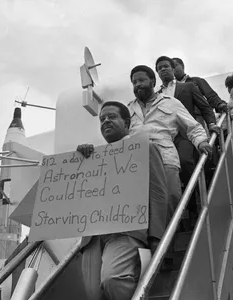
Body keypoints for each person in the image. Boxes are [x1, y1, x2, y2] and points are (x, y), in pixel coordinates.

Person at [78, 101, 168, 300]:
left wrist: (156, 236)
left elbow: (158, 193)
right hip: (93, 238)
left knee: (113, 280)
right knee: (94, 294)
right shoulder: (93, 157)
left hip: (126, 231)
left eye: (111, 117)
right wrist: (82, 160)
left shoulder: (145, 149)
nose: (105, 121)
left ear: (127, 123)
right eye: (102, 119)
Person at [155, 56, 218, 194]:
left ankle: (197, 194)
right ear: (157, 74)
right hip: (167, 138)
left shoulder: (188, 86)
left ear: (173, 68)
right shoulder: (156, 96)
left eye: (166, 66)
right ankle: (190, 199)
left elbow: (205, 107)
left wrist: (212, 123)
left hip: (187, 133)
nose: (163, 69)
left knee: (184, 161)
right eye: (159, 68)